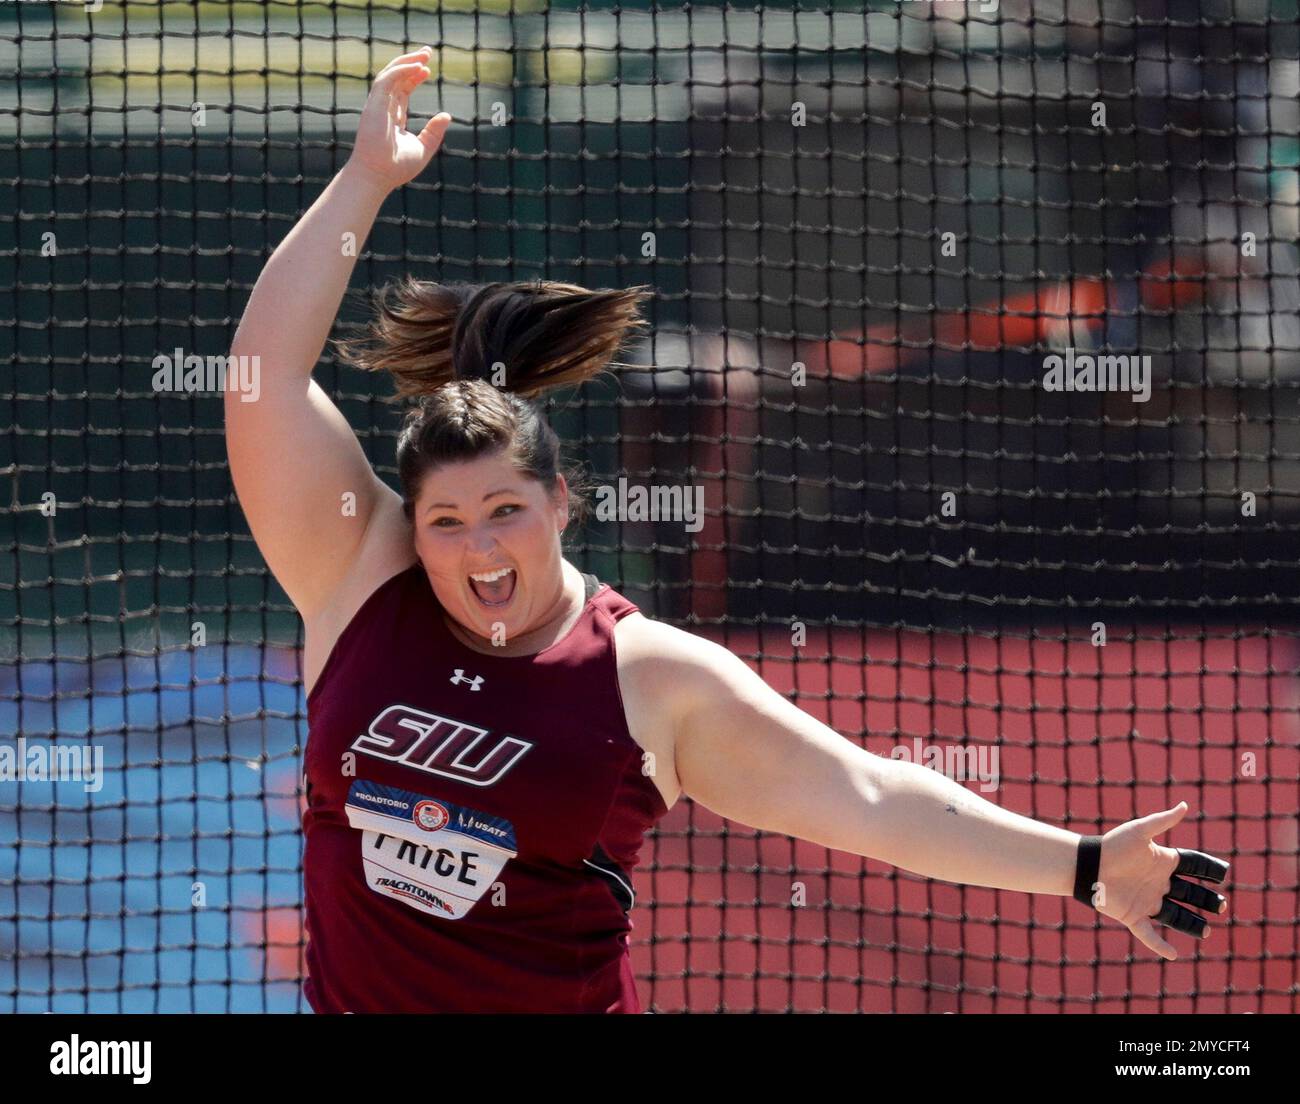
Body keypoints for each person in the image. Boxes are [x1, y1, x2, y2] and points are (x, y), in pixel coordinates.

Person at [224, 47, 1231, 1013]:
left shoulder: (647, 676)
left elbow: (871, 798)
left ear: (562, 503)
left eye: (504, 512)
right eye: (445, 522)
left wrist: (1088, 869)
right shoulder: (359, 579)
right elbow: (260, 379)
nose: (480, 547)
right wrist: (363, 180)